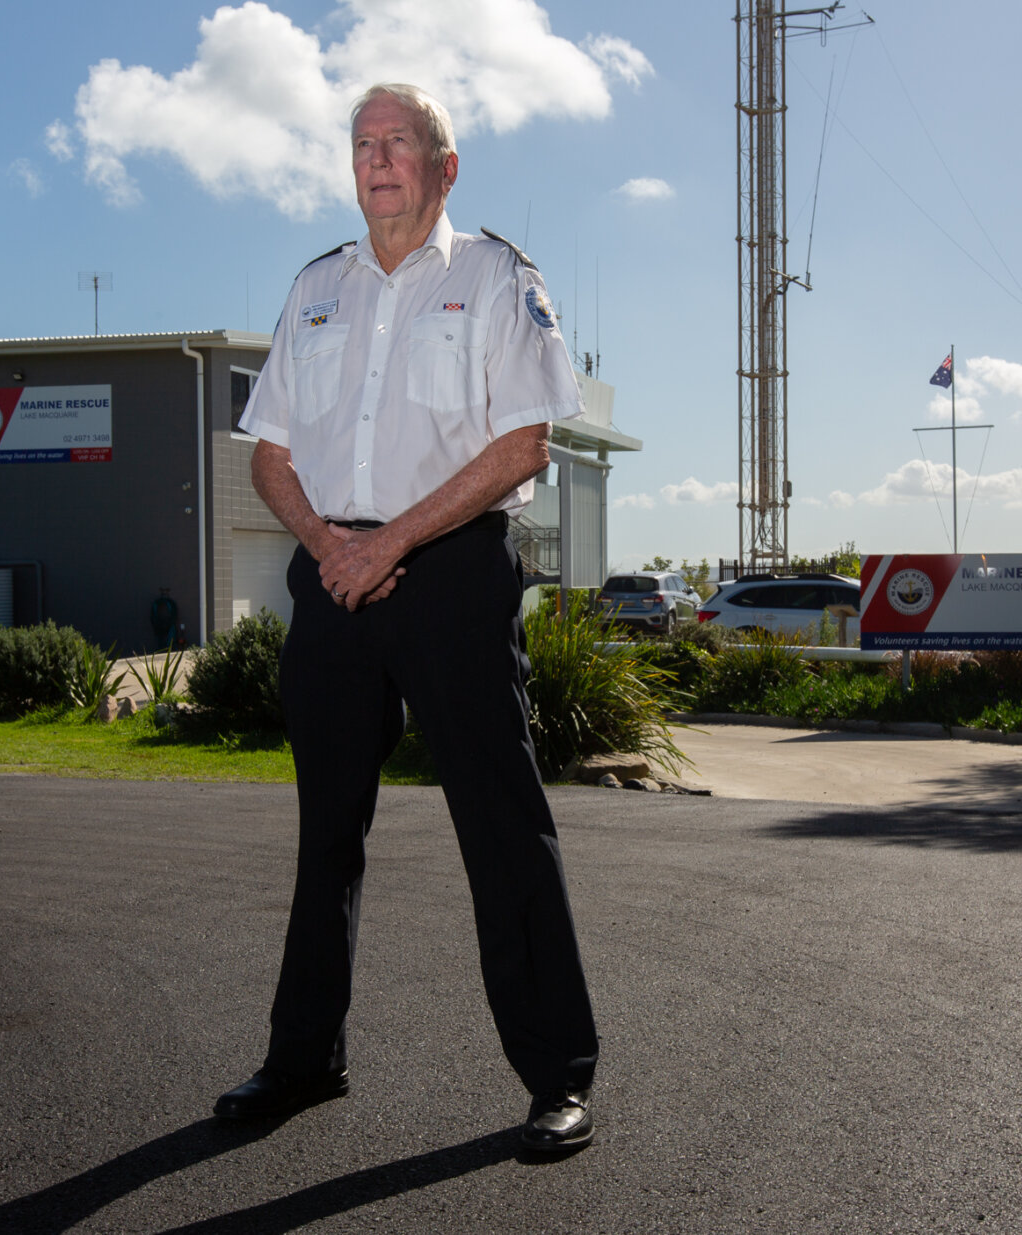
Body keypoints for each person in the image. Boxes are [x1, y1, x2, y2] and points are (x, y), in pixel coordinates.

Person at [216, 82, 598, 1153]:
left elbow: (524, 445)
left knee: (502, 824)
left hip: (452, 577)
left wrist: (393, 542)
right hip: (334, 580)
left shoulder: (493, 277)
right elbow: (270, 453)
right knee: (325, 834)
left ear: (445, 167)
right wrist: (336, 547)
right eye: (363, 143)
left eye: (401, 143)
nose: (379, 159)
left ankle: (558, 1076)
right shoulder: (316, 286)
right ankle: (302, 1060)